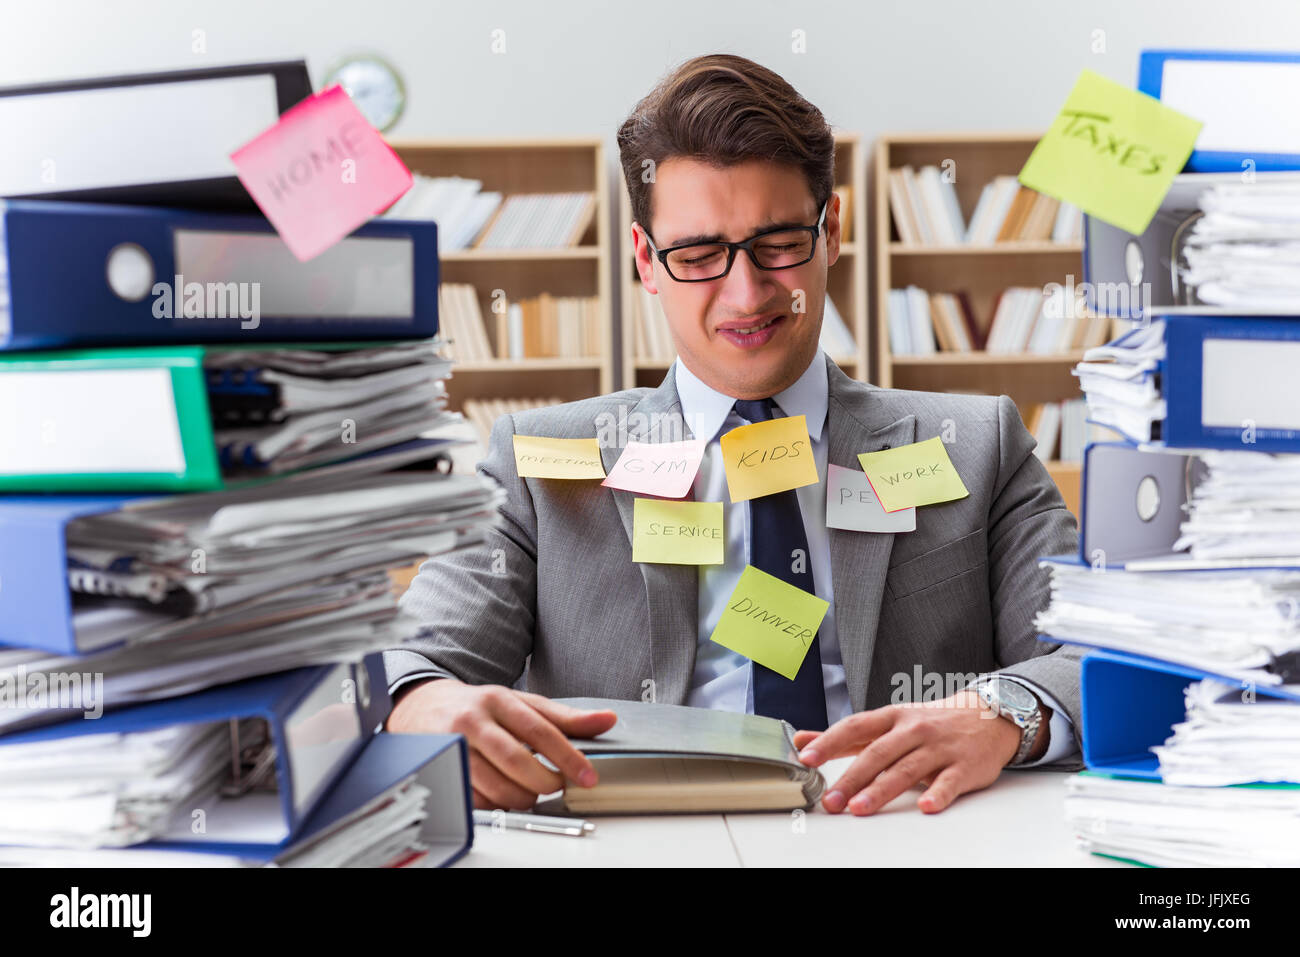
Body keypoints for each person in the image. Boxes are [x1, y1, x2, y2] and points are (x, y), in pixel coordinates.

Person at [386, 53, 1082, 816]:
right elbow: (413, 659)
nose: (746, 294)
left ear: (833, 232)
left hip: (901, 826)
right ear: (646, 262)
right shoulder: (541, 463)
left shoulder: (976, 444)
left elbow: (1098, 656)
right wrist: (421, 702)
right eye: (699, 255)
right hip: (639, 836)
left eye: (780, 243)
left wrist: (1004, 715)